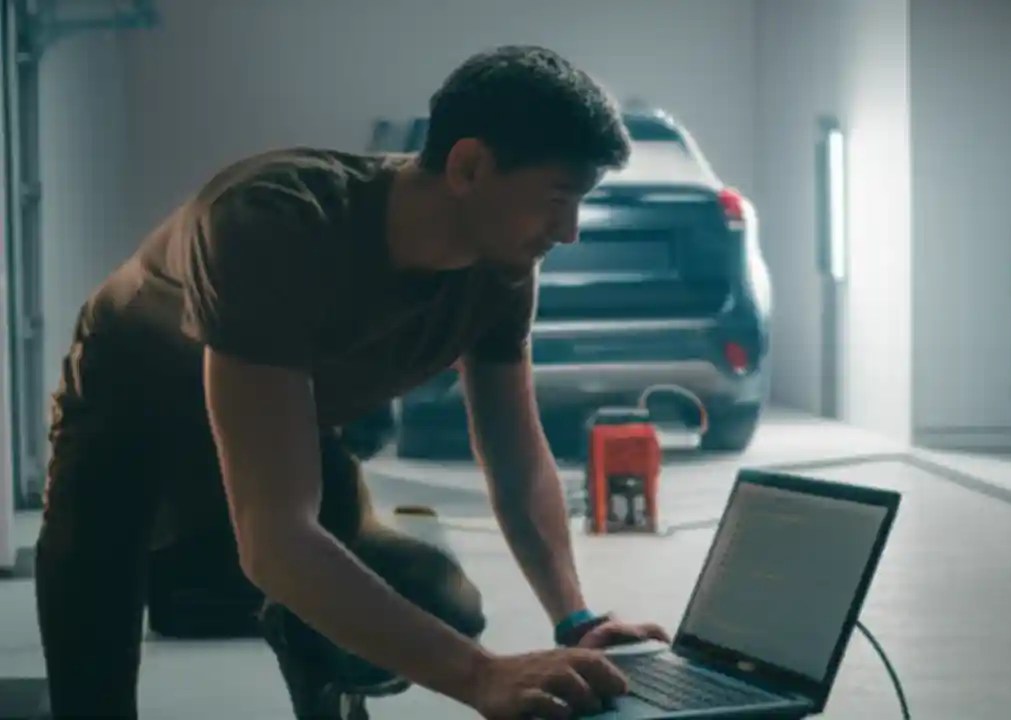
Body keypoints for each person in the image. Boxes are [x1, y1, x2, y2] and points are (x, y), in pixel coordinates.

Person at [34, 44, 669, 720]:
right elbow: (276, 539)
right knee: (97, 668)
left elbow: (515, 458)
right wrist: (482, 679)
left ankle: (300, 642)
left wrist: (574, 618)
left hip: (288, 417)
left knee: (439, 603)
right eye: (557, 199)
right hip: (133, 408)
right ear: (469, 166)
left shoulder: (502, 266)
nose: (569, 232)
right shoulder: (271, 220)